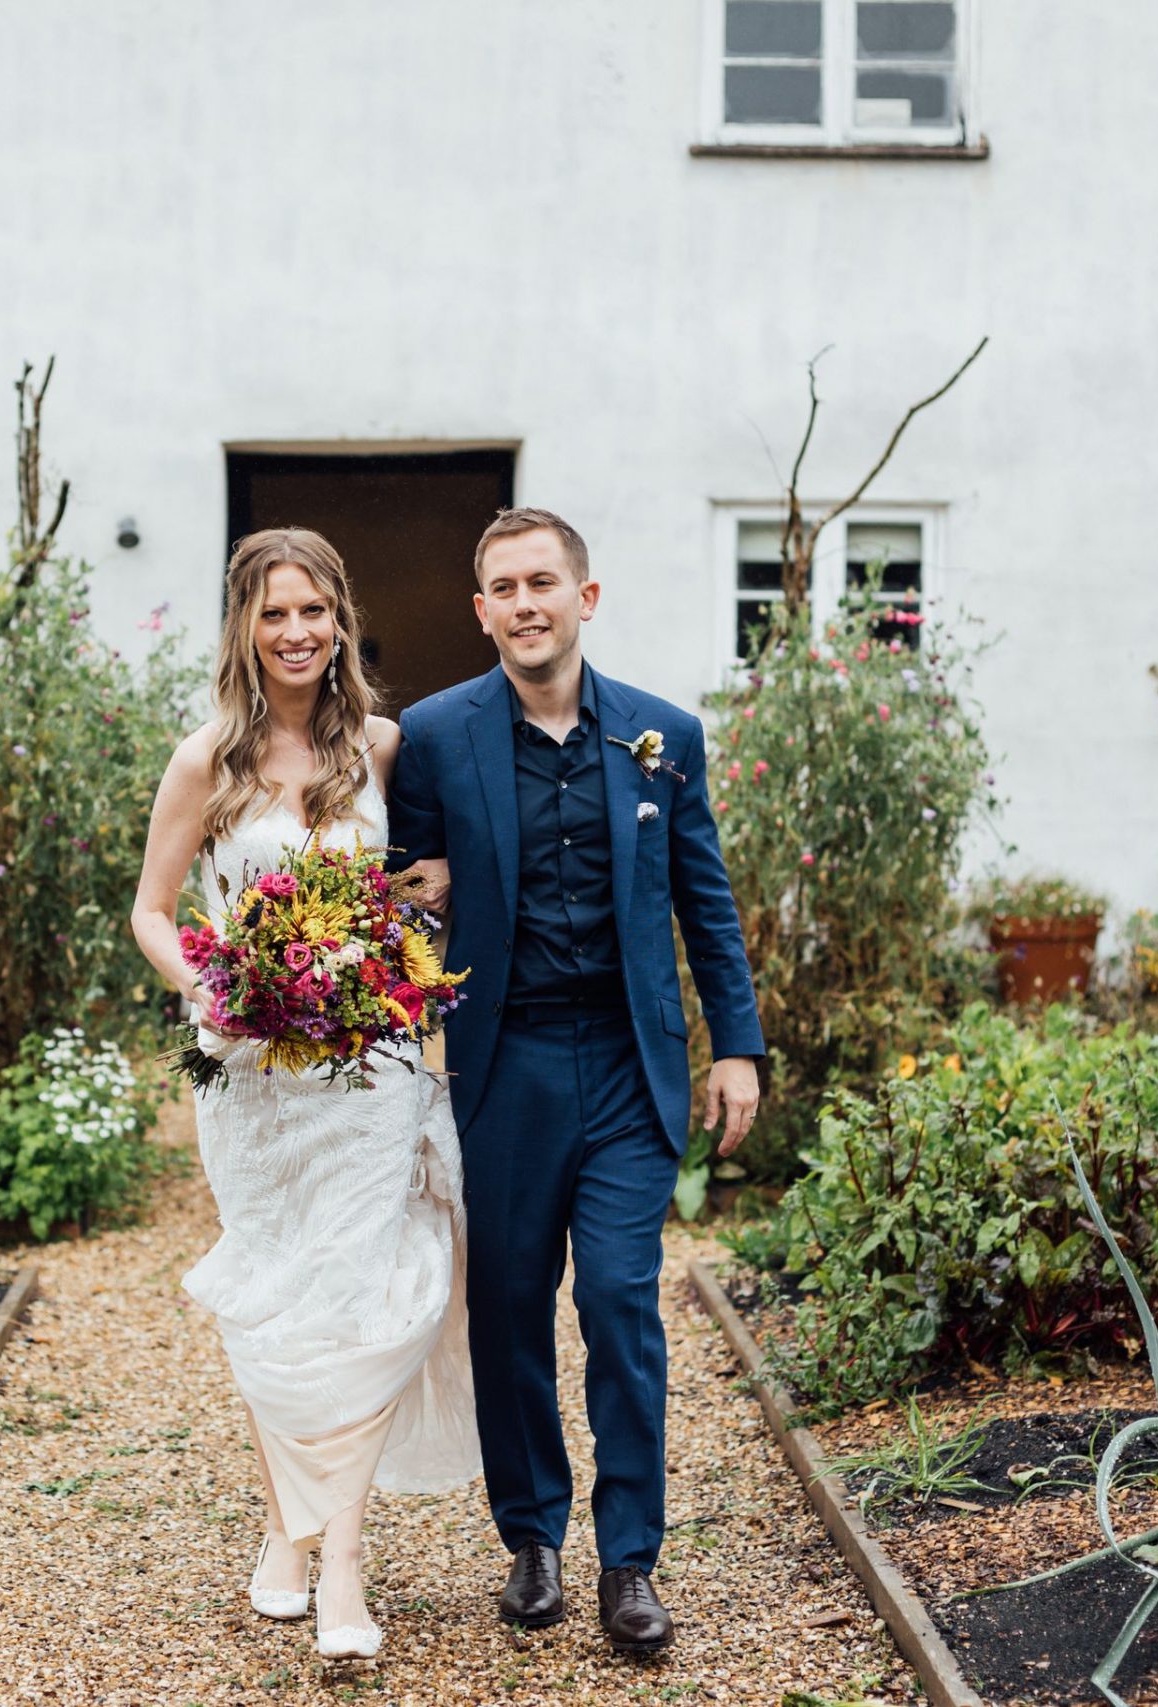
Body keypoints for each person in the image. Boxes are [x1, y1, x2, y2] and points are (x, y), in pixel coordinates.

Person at [384, 506, 764, 1656]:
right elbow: (398, 890)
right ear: (481, 611)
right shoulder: (437, 737)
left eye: (542, 582)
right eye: (501, 588)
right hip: (504, 1068)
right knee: (507, 1310)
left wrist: (735, 1045)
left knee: (614, 1300)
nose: (524, 604)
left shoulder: (661, 735)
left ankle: (631, 1560)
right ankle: (532, 1540)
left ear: (582, 599)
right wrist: (420, 887)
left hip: (626, 1066)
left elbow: (705, 902)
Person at [130, 527, 479, 1662]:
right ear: (243, 625)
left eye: (314, 611)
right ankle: (287, 1524)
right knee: (279, 1299)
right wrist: (212, 990)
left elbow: (430, 875)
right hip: (250, 1080)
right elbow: (151, 908)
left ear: (340, 620)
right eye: (273, 613)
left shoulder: (383, 746)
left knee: (367, 1294)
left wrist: (413, 912)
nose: (295, 633)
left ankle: (341, 1563)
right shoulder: (205, 762)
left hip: (371, 1069)